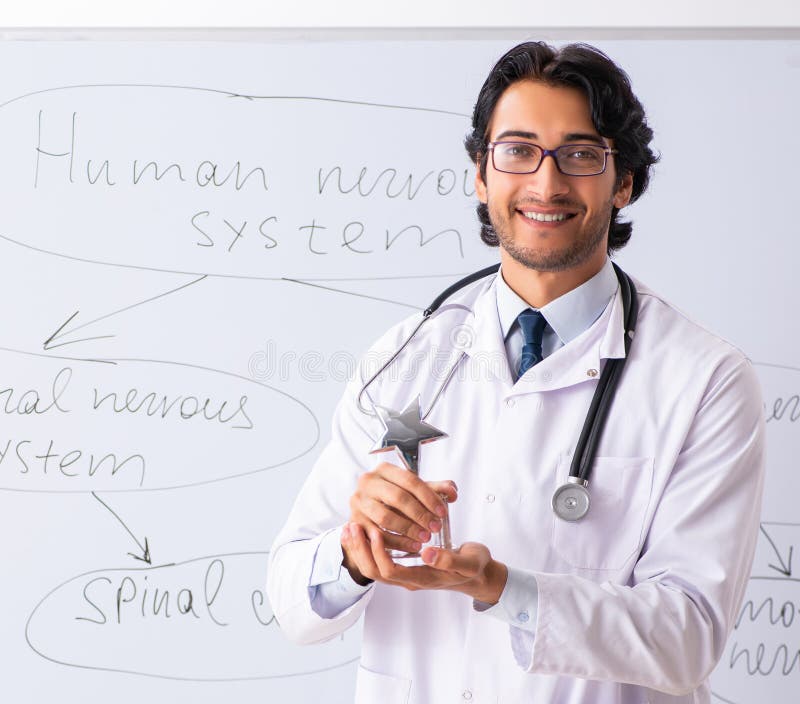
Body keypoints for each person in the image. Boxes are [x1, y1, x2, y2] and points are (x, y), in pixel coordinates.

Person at [267, 41, 765, 704]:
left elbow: (689, 637)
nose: (546, 183)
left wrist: (503, 588)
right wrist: (356, 556)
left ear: (624, 181)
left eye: (582, 155)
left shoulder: (705, 380)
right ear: (481, 173)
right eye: (518, 150)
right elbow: (292, 601)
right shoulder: (401, 359)